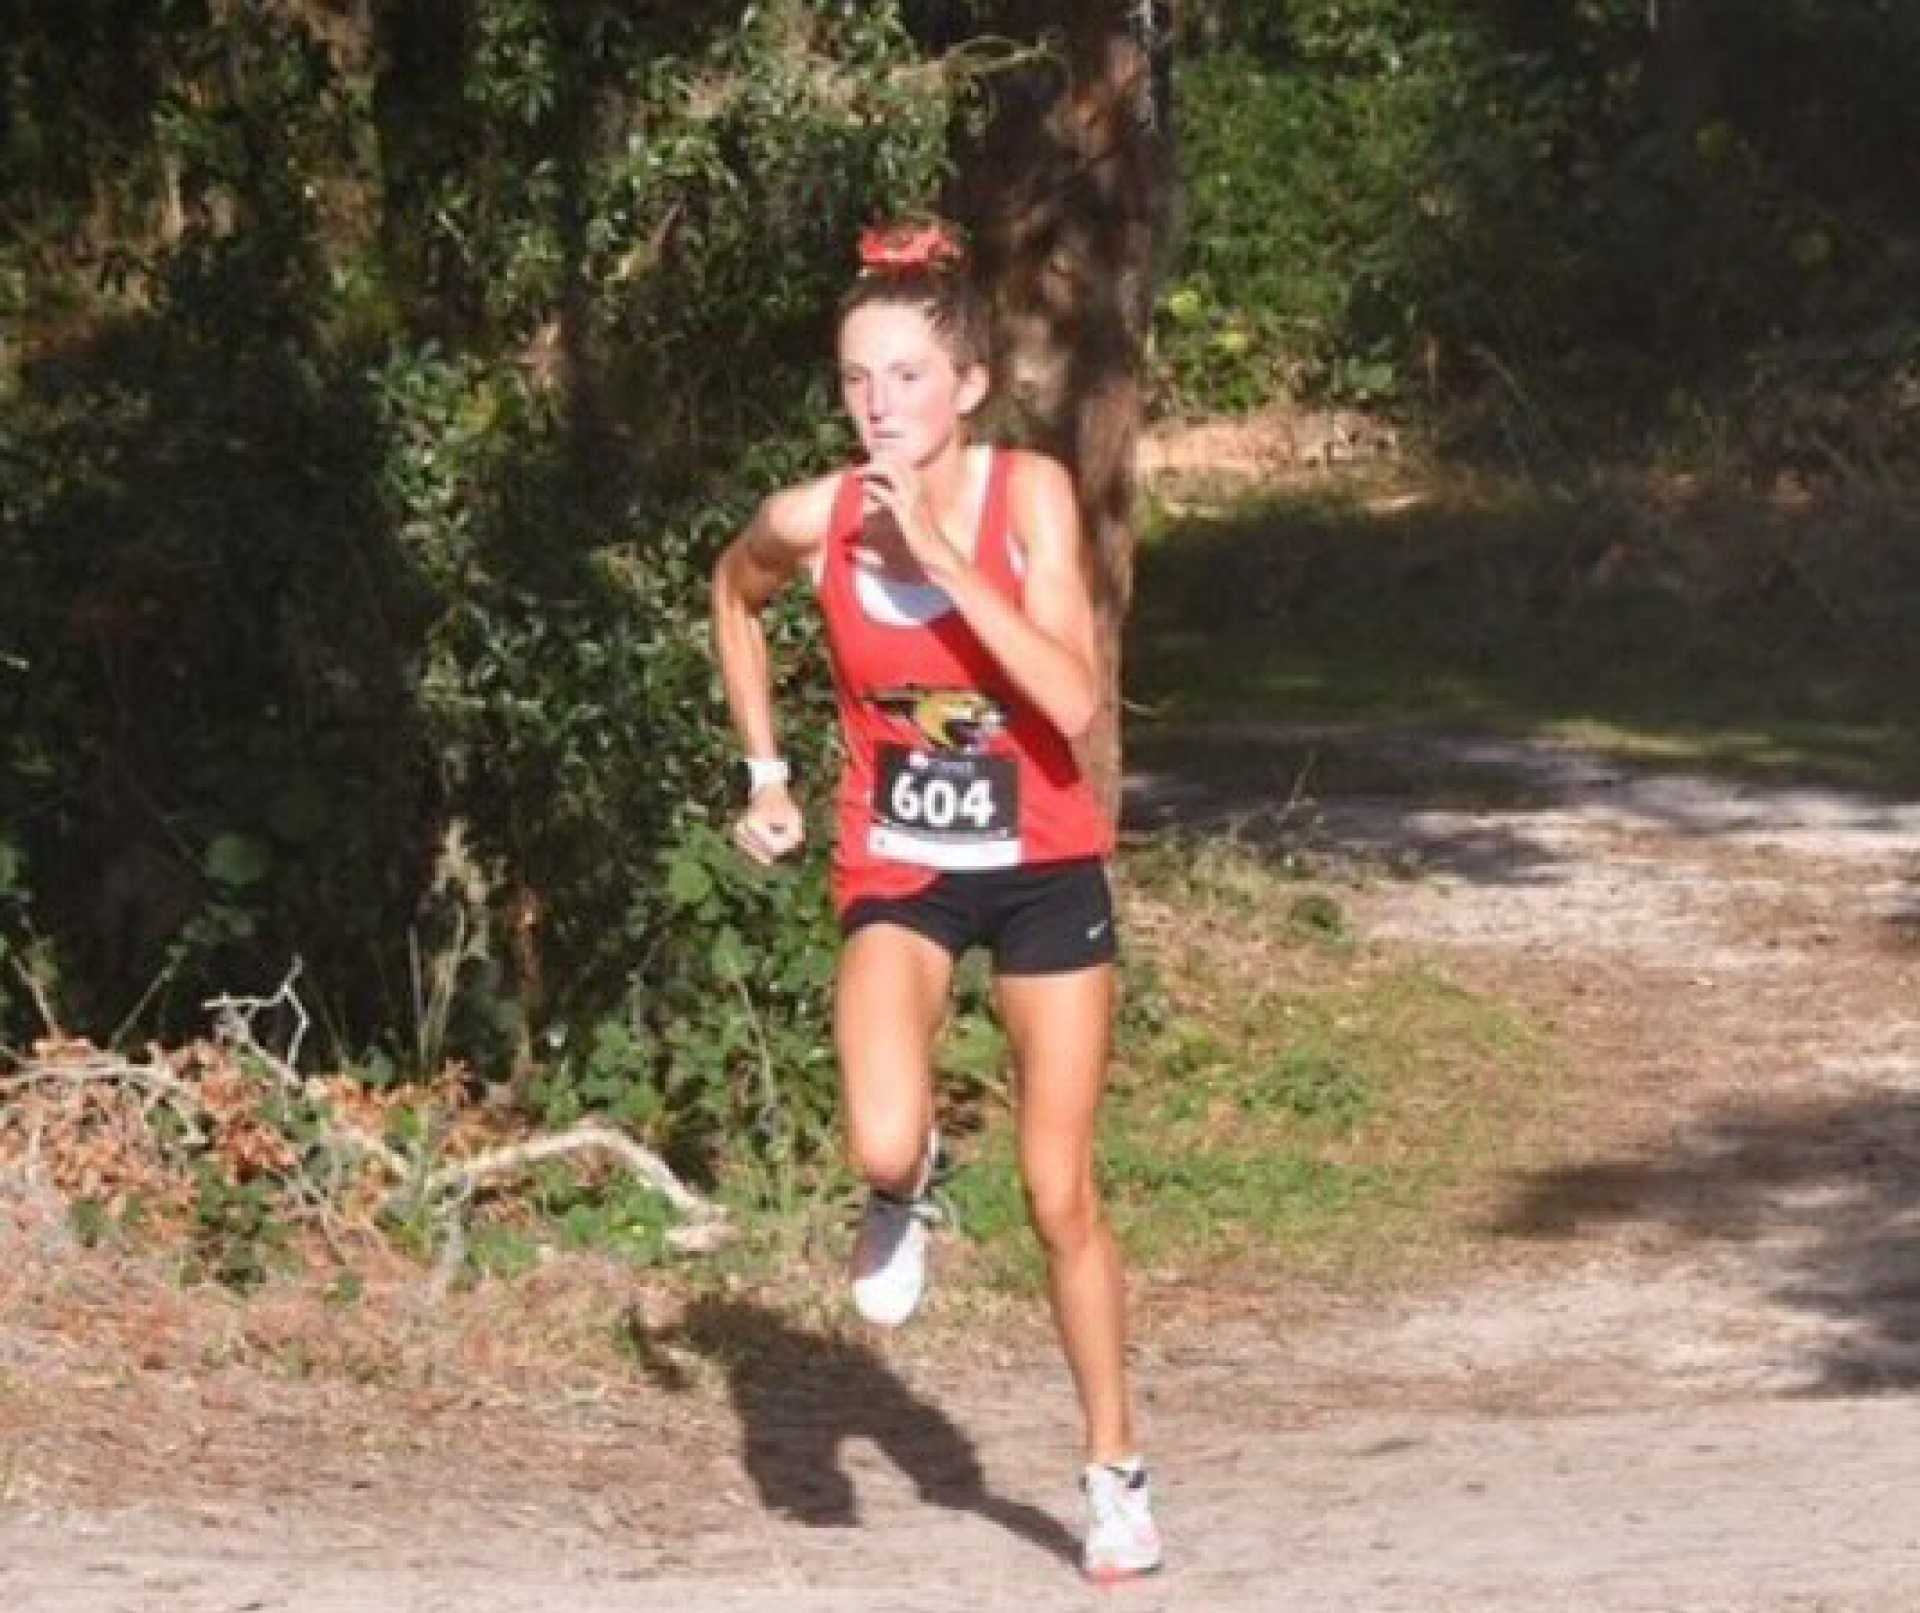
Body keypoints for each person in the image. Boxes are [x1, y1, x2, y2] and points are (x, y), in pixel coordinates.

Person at [708, 220, 1161, 1584]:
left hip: (1043, 868)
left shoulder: (1027, 496)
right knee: (884, 1137)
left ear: (967, 386)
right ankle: (906, 1191)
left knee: (1059, 1187)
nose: (878, 404)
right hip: (900, 865)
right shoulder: (817, 517)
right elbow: (733, 592)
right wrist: (767, 772)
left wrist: (947, 563)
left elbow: (1072, 700)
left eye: (906, 376)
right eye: (857, 379)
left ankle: (1114, 1472)